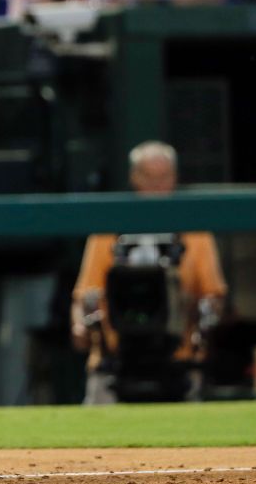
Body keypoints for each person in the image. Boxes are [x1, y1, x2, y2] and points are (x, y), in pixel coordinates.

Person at [71, 141, 227, 405]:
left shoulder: (195, 231)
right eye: (149, 177)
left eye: (164, 177)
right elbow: (84, 295)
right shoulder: (107, 230)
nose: (157, 186)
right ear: (134, 178)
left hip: (178, 362)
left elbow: (215, 296)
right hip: (114, 361)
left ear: (175, 179)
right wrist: (79, 325)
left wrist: (198, 310)